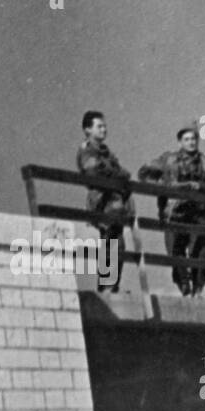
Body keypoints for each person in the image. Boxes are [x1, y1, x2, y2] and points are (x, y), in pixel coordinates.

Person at [137, 123, 205, 297]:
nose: (191, 143)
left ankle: (198, 289)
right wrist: (165, 186)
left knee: (201, 254)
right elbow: (143, 173)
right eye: (186, 139)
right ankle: (184, 286)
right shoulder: (168, 159)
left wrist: (198, 186)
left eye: (194, 139)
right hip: (174, 212)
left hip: (197, 214)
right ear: (180, 142)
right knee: (175, 253)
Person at [75, 111, 134, 292]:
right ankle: (107, 287)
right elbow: (93, 172)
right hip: (102, 203)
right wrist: (116, 174)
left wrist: (115, 173)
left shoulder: (106, 152)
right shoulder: (87, 149)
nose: (104, 129)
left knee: (118, 245)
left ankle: (111, 286)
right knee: (110, 243)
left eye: (104, 126)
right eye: (99, 126)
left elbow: (124, 173)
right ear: (87, 129)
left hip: (116, 205)